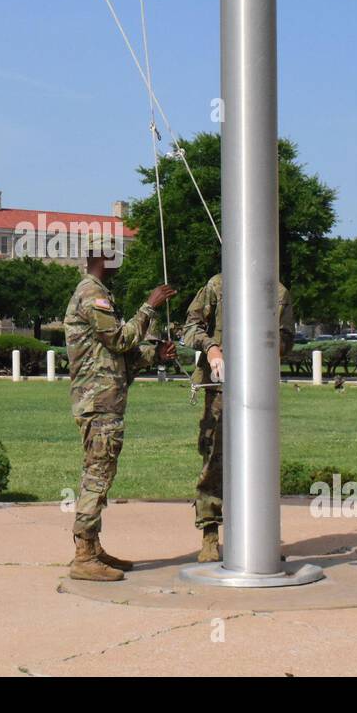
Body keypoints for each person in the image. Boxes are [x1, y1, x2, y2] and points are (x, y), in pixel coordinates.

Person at [64, 233, 176, 581]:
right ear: (103, 258)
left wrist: (154, 355)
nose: (119, 262)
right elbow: (120, 339)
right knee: (97, 475)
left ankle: (92, 547)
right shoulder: (91, 293)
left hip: (104, 400)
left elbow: (117, 355)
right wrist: (150, 305)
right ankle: (83, 556)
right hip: (98, 404)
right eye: (115, 256)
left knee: (100, 473)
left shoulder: (100, 294)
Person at [181, 272, 294, 563]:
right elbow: (190, 328)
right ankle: (209, 535)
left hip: (258, 391)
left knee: (259, 465)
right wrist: (211, 348)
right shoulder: (218, 286)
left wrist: (265, 347)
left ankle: (259, 539)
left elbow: (287, 339)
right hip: (219, 389)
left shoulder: (277, 293)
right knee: (214, 460)